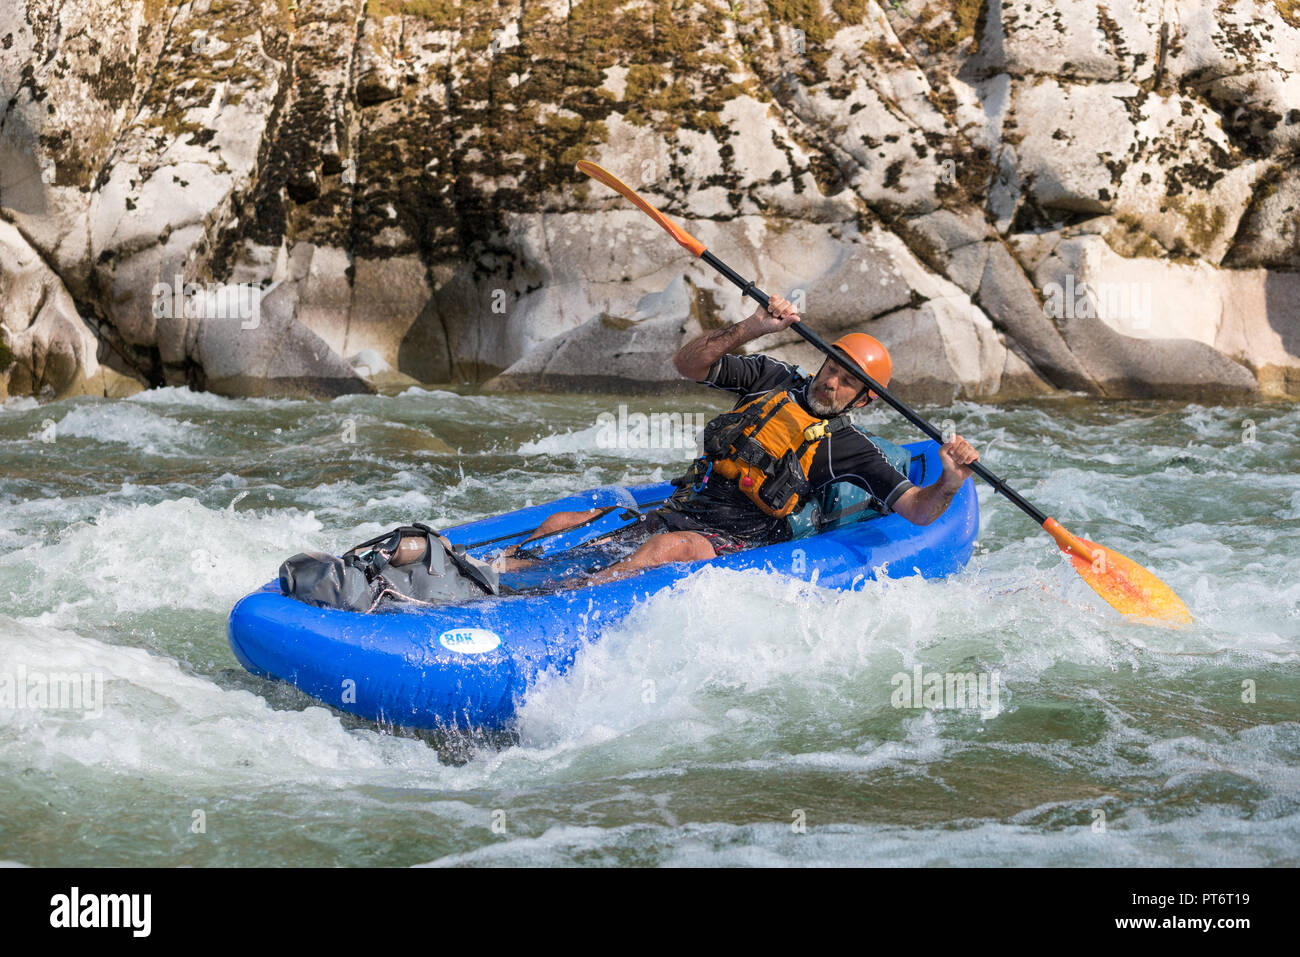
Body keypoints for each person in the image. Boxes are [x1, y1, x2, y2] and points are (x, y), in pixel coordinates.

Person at [494, 294, 980, 583]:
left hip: (739, 539)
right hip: (685, 507)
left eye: (848, 381)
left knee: (668, 550)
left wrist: (951, 481)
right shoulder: (772, 376)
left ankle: (565, 595)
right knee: (566, 520)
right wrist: (753, 326)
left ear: (865, 400)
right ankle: (501, 570)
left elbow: (918, 510)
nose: (832, 382)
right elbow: (688, 365)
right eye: (832, 367)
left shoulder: (850, 447)